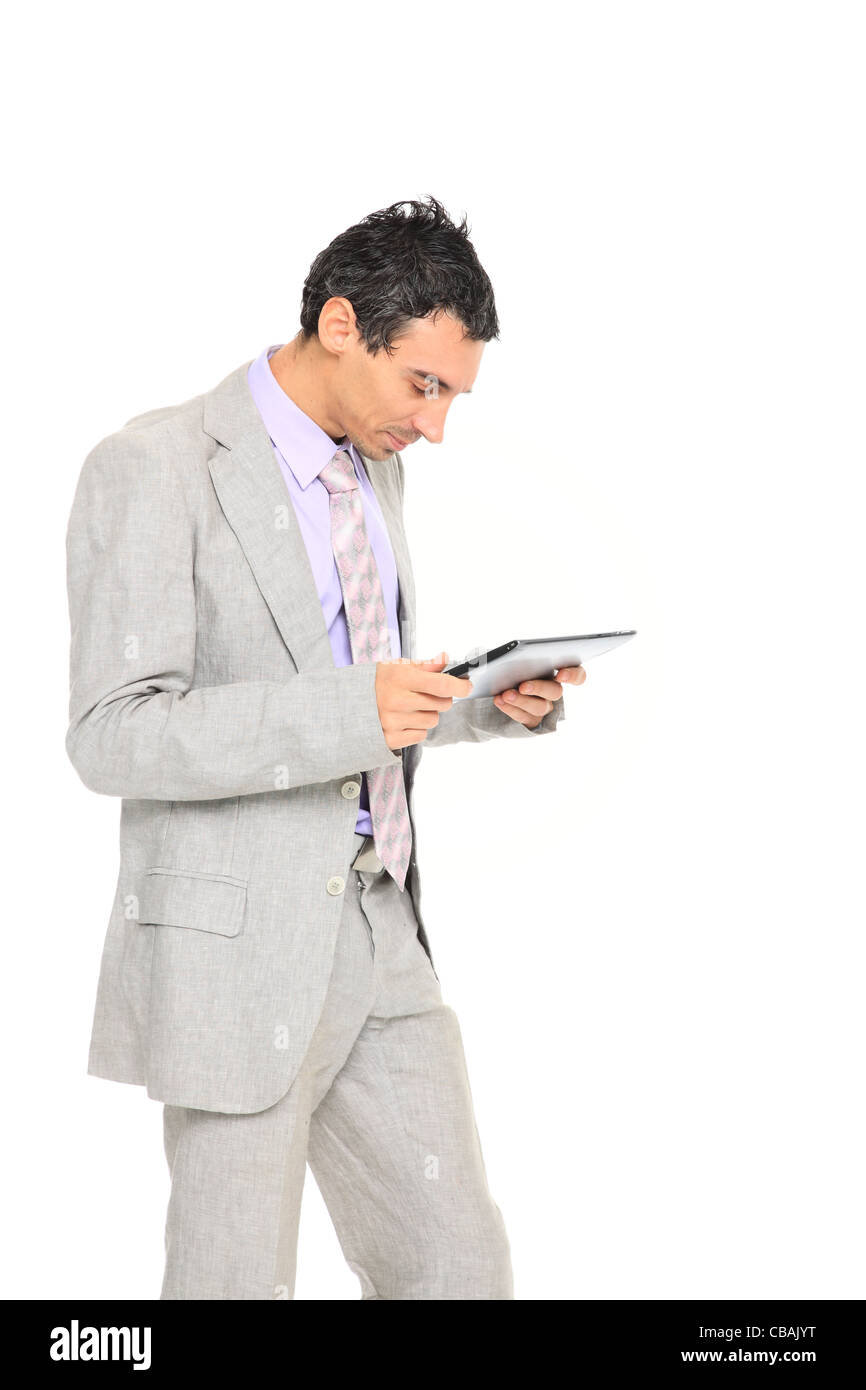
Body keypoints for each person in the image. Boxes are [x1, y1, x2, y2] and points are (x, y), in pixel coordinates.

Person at [65, 195, 586, 1300]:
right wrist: (356, 708)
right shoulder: (153, 465)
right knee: (234, 1281)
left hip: (382, 924)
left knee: (455, 1267)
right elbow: (114, 734)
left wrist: (491, 701)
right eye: (425, 385)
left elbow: (367, 699)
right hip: (235, 947)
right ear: (341, 324)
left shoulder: (371, 462)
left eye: (452, 395)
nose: (435, 425)